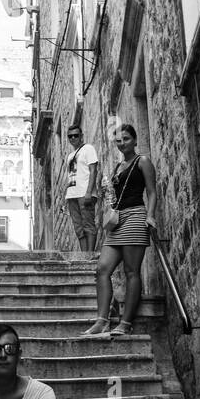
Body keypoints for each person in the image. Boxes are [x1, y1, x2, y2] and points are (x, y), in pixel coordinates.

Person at [80, 122, 157, 337]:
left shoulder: (143, 161)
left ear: (135, 140)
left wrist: (150, 216)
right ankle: (102, 321)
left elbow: (152, 192)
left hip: (135, 217)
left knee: (132, 271)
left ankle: (126, 323)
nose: (122, 143)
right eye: (118, 141)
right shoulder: (117, 167)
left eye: (126, 139)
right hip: (117, 221)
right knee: (102, 269)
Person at [65, 122, 99, 252]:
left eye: (76, 135)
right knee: (78, 228)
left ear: (81, 136)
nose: (73, 138)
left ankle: (90, 255)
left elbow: (93, 170)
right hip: (72, 195)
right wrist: (66, 196)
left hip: (84, 193)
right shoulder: (70, 156)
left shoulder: (88, 148)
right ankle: (84, 256)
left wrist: (89, 192)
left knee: (88, 225)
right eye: (70, 136)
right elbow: (70, 177)